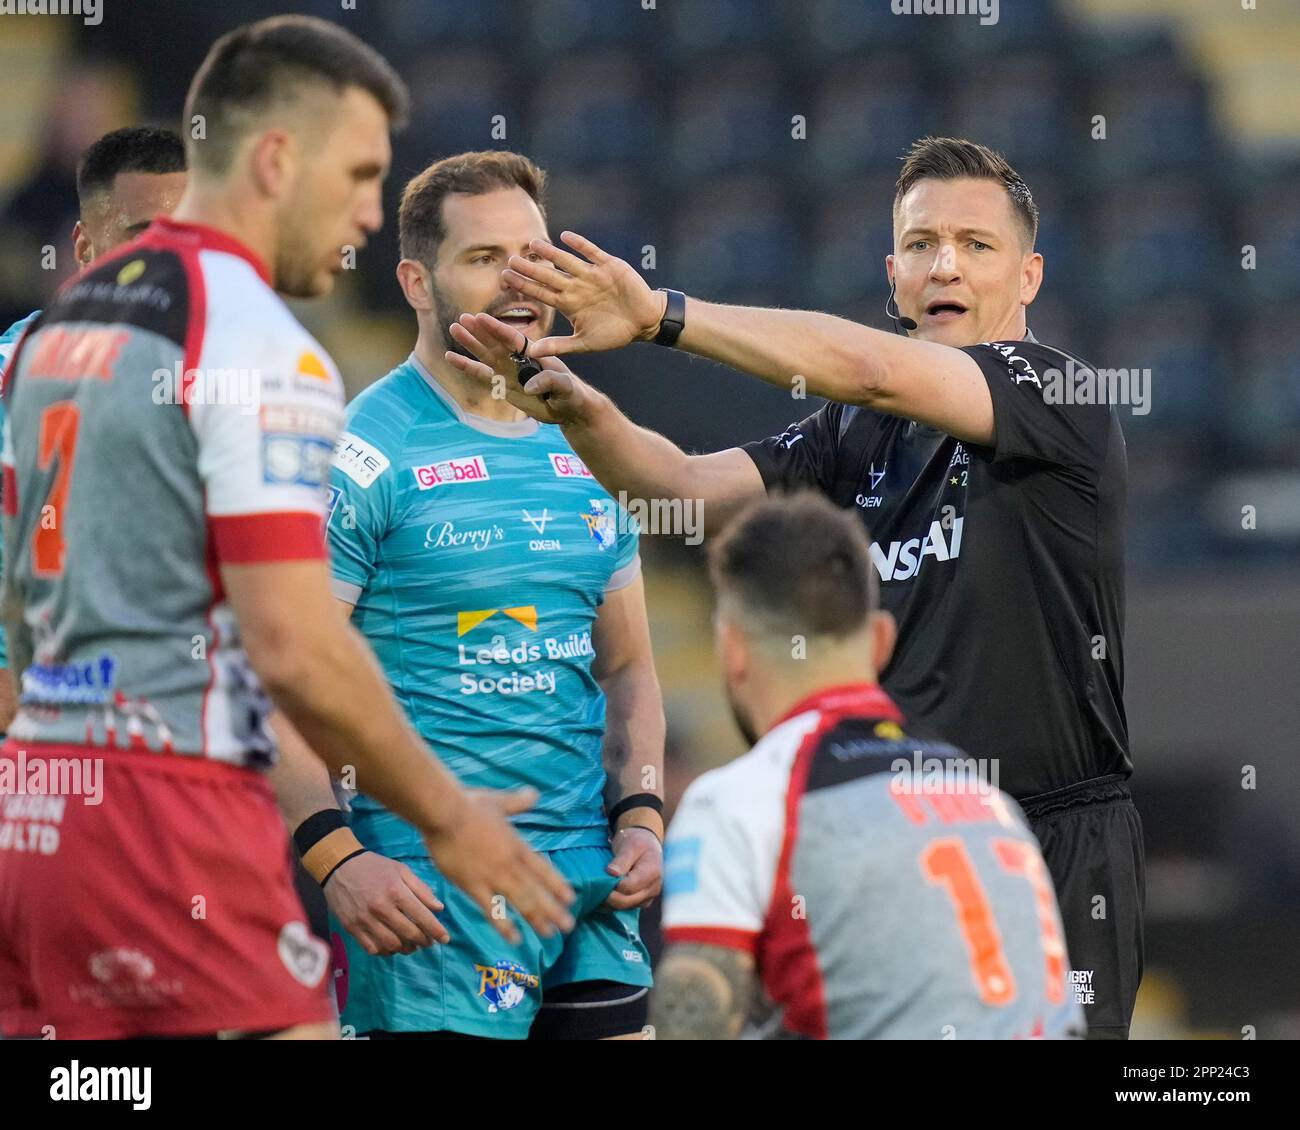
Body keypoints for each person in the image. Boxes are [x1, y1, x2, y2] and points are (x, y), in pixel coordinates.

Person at [447, 136, 1144, 1038]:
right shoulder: (857, 431)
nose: (946, 265)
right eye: (922, 244)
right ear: (893, 275)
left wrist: (660, 314)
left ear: (1030, 276)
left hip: (1053, 839)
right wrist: (579, 410)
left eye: (977, 245)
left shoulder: (1058, 393)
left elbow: (873, 366)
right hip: (894, 831)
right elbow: (682, 493)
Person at [0, 16, 570, 1042]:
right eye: (359, 175)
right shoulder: (256, 345)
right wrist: (449, 817)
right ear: (275, 160)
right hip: (171, 813)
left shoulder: (61, 326)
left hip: (39, 800)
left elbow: (18, 609)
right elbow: (296, 647)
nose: (369, 215)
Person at [273, 151, 663, 1040]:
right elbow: (282, 679)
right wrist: (336, 858)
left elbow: (630, 665)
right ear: (417, 282)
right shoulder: (359, 456)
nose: (519, 282)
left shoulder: (591, 440)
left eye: (532, 255)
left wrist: (641, 814)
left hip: (588, 883)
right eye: (485, 259)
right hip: (432, 892)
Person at [650, 492, 1084, 1040]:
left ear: (732, 649)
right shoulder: (983, 793)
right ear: (881, 640)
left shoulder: (740, 799)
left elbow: (692, 1025)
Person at [0, 125, 188, 737]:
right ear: (83, 248)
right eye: (143, 239)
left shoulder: (232, 388)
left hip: (172, 736)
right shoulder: (8, 381)